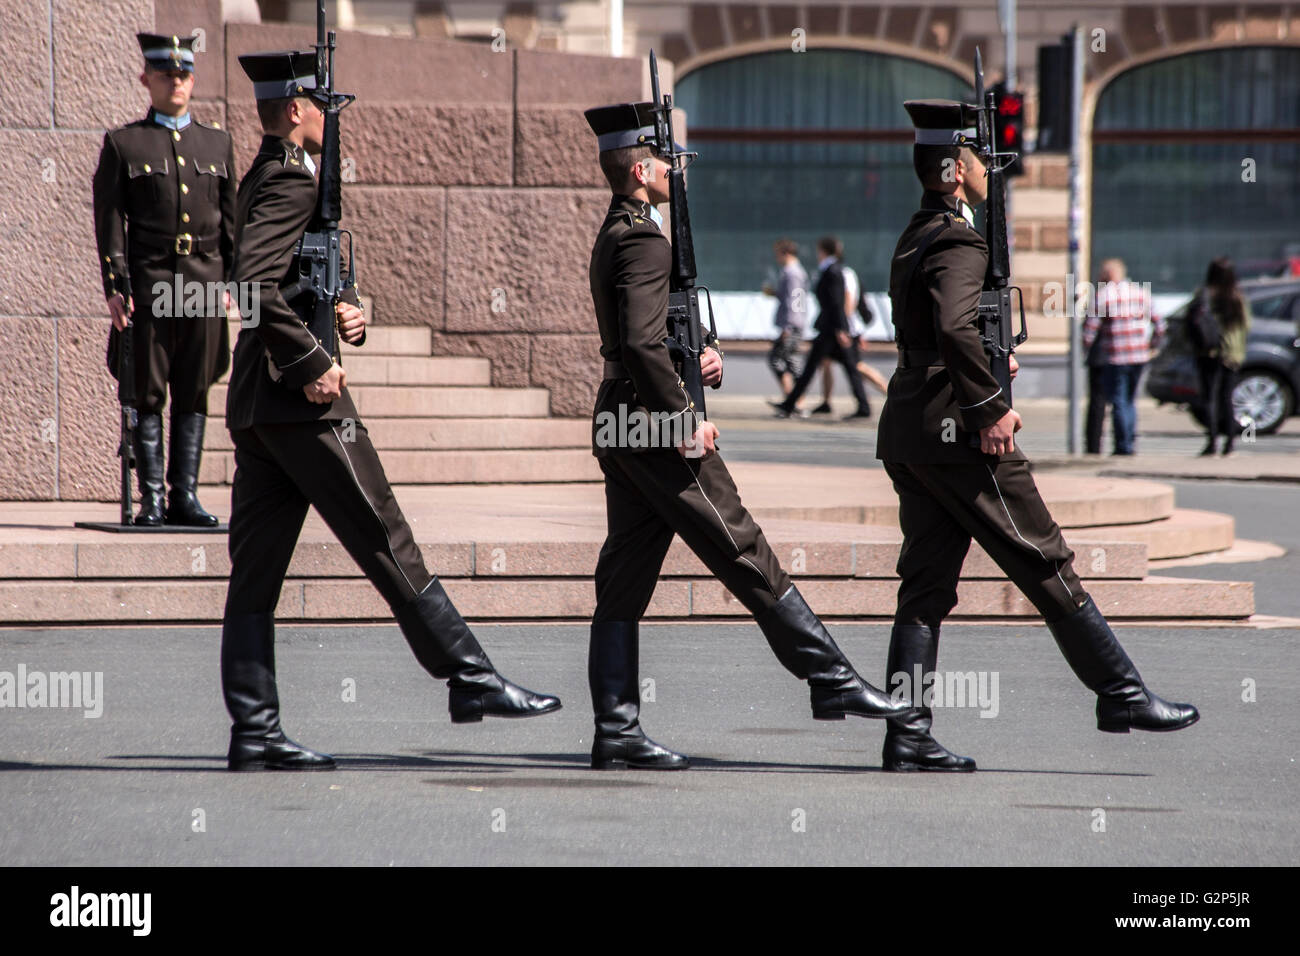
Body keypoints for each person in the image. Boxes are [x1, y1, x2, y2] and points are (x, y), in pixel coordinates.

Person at [220, 48, 560, 772]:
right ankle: (471, 677)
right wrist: (313, 363)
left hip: (258, 407)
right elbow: (251, 284)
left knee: (253, 578)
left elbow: (279, 276)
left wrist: (341, 308)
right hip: (302, 405)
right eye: (318, 105)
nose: (328, 117)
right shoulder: (286, 179)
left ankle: (253, 729)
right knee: (387, 534)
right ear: (292, 111)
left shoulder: (263, 177)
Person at [582, 101, 909, 770]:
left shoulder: (618, 231)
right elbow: (645, 345)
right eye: (665, 159)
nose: (676, 169)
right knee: (743, 546)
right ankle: (832, 680)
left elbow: (644, 341)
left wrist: (696, 358)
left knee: (624, 577)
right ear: (641, 169)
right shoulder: (645, 239)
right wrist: (683, 417)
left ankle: (616, 730)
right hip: (653, 428)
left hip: (622, 417)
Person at [875, 98, 1198, 773]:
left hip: (912, 422)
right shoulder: (961, 239)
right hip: (957, 429)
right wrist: (991, 403)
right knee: (1044, 556)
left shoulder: (917, 232)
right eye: (982, 162)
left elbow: (938, 329)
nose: (993, 173)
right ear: (956, 171)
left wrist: (989, 361)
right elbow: (958, 330)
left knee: (926, 585)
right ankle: (1121, 691)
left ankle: (907, 733)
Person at [92, 33, 236, 526]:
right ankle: (151, 498)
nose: (175, 81)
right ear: (145, 79)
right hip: (151, 283)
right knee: (148, 390)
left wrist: (235, 283)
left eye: (183, 74)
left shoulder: (217, 143)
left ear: (192, 80)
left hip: (203, 283)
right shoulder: (124, 143)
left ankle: (184, 497)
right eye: (164, 74)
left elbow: (230, 222)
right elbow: (110, 222)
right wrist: (116, 286)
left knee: (194, 387)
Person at [772, 237, 873, 421]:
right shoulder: (832, 269)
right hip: (832, 329)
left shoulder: (832, 271)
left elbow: (836, 302)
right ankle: (863, 406)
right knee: (846, 368)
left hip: (832, 330)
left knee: (819, 368)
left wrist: (842, 329)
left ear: (824, 250)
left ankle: (790, 403)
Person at [1081, 258, 1164, 456]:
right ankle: (1129, 442)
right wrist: (1152, 345)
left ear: (1105, 275)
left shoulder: (1103, 296)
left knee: (1118, 400)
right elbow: (1160, 324)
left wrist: (1085, 349)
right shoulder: (1140, 292)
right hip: (1139, 356)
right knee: (1130, 400)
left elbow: (1089, 332)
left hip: (1116, 357)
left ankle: (1123, 446)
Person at [1193, 257, 1253, 456]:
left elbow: (1193, 323)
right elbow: (1247, 325)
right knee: (1227, 398)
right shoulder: (1237, 296)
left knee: (1210, 398)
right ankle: (1230, 442)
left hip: (1209, 352)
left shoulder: (1204, 295)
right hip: (1232, 355)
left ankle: (1212, 441)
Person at [814, 257, 889, 413]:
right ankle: (826, 401)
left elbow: (848, 301)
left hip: (846, 330)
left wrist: (844, 329)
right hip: (845, 328)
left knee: (857, 366)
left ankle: (889, 392)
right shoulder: (845, 273)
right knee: (826, 361)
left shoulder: (843, 274)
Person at [762, 239, 808, 399]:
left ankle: (794, 399)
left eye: (778, 255)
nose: (777, 259)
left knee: (782, 360)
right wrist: (776, 293)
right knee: (790, 361)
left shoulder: (791, 273)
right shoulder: (797, 272)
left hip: (792, 325)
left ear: (786, 253)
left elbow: (794, 302)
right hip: (796, 323)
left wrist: (787, 327)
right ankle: (792, 399)